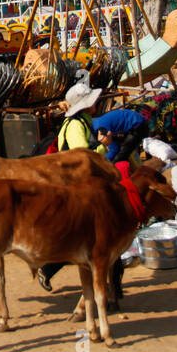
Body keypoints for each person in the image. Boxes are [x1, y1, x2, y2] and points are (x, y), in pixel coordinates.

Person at [36, 82, 105, 291]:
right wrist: (103, 145)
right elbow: (82, 155)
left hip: (78, 185)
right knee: (79, 238)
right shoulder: (76, 125)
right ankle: (48, 269)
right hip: (73, 187)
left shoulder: (83, 122)